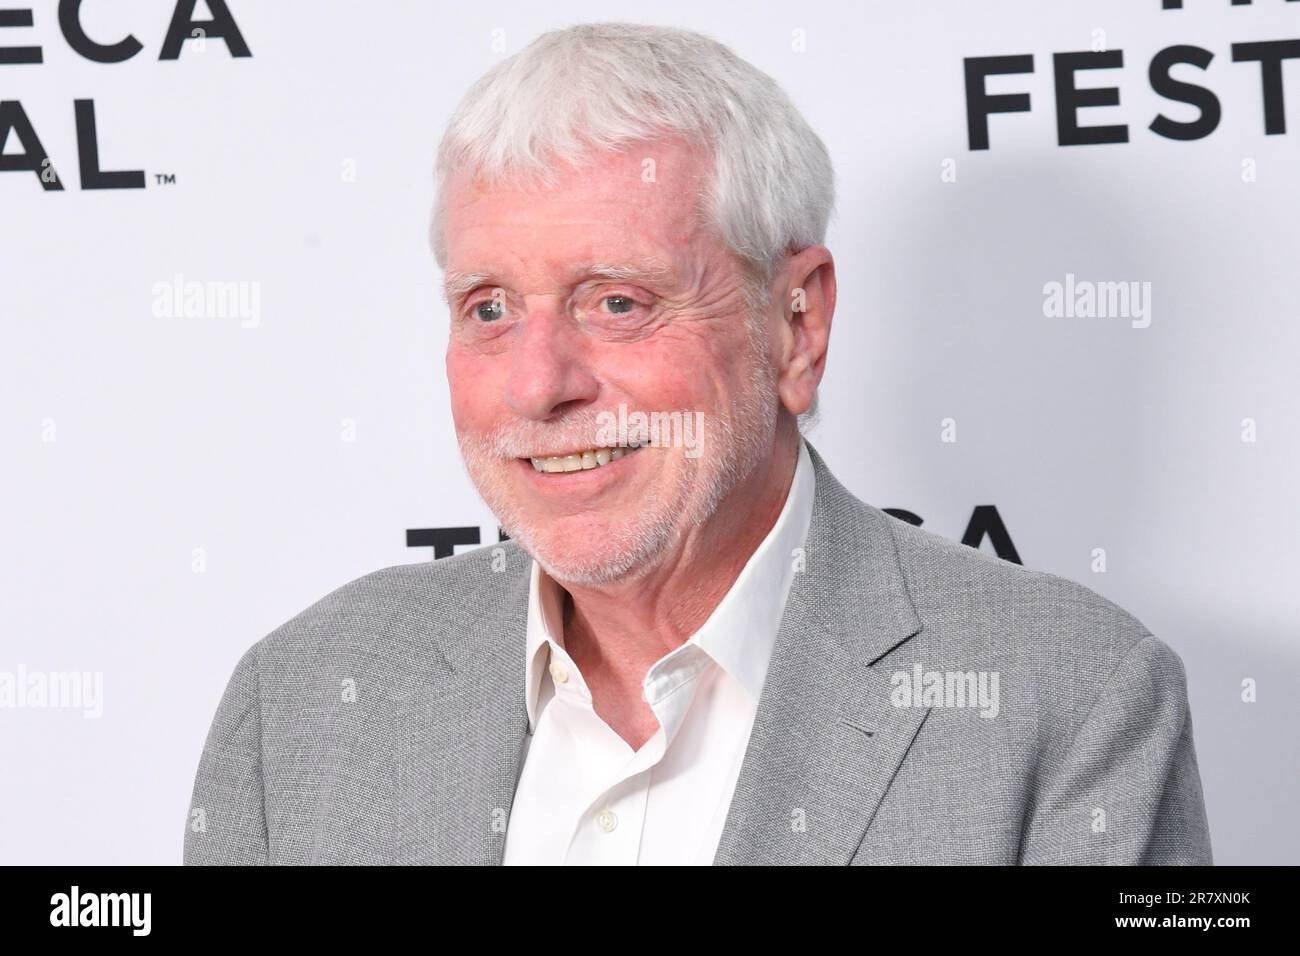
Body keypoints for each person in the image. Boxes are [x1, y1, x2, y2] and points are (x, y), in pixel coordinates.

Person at [184, 22, 1212, 865]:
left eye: (617, 301)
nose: (539, 383)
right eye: (489, 307)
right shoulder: (304, 699)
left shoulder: (1073, 697)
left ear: (794, 324)